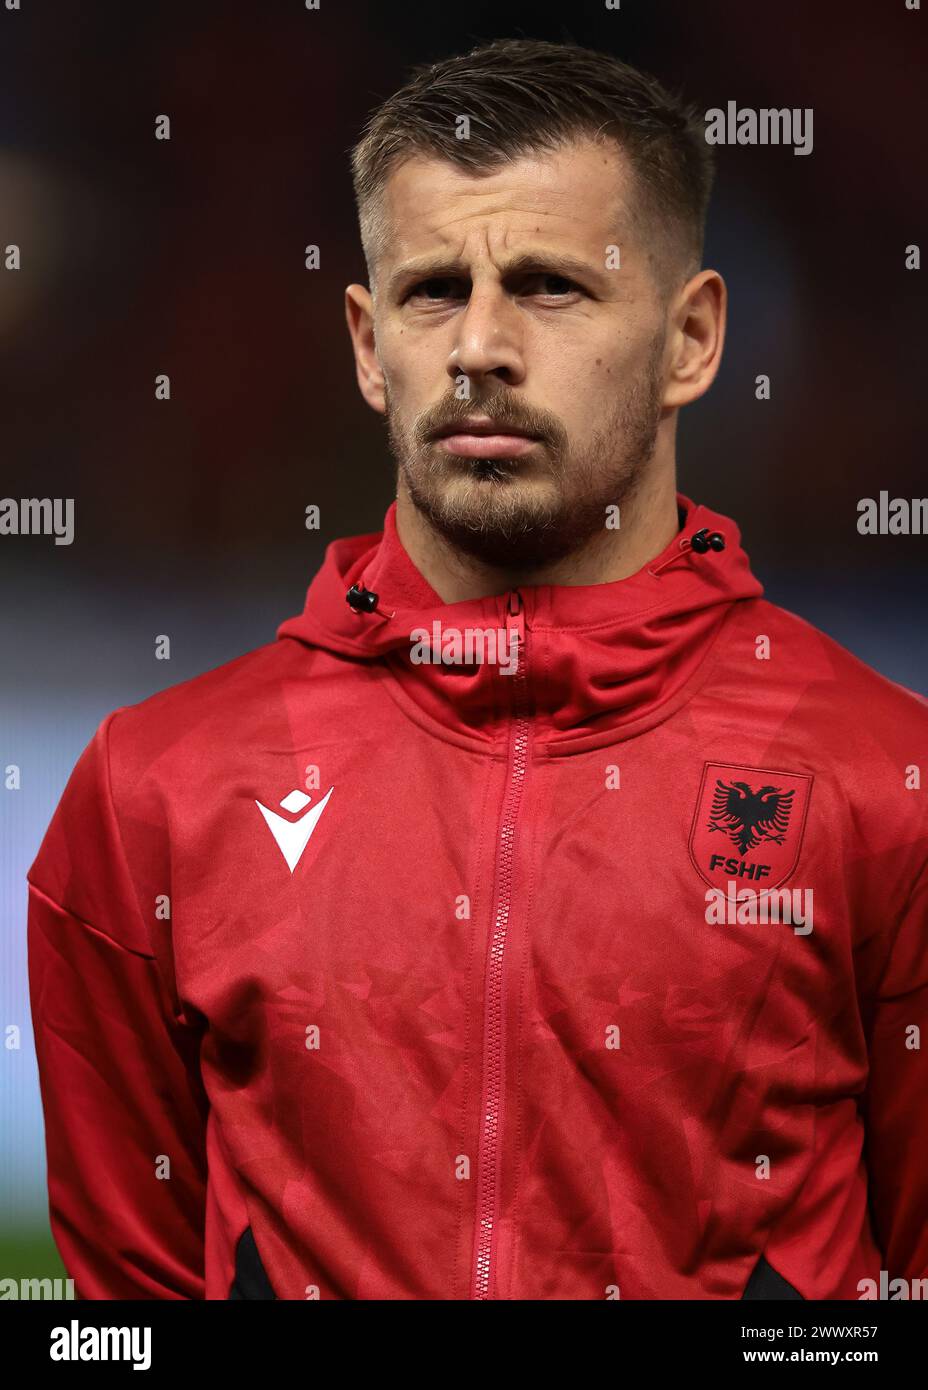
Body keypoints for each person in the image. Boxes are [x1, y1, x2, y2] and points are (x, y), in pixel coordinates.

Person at [27, 37, 927, 1301]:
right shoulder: (155, 791)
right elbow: (125, 1307)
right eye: (432, 289)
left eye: (553, 287)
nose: (479, 348)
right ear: (364, 341)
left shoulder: (887, 784)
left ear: (692, 338)